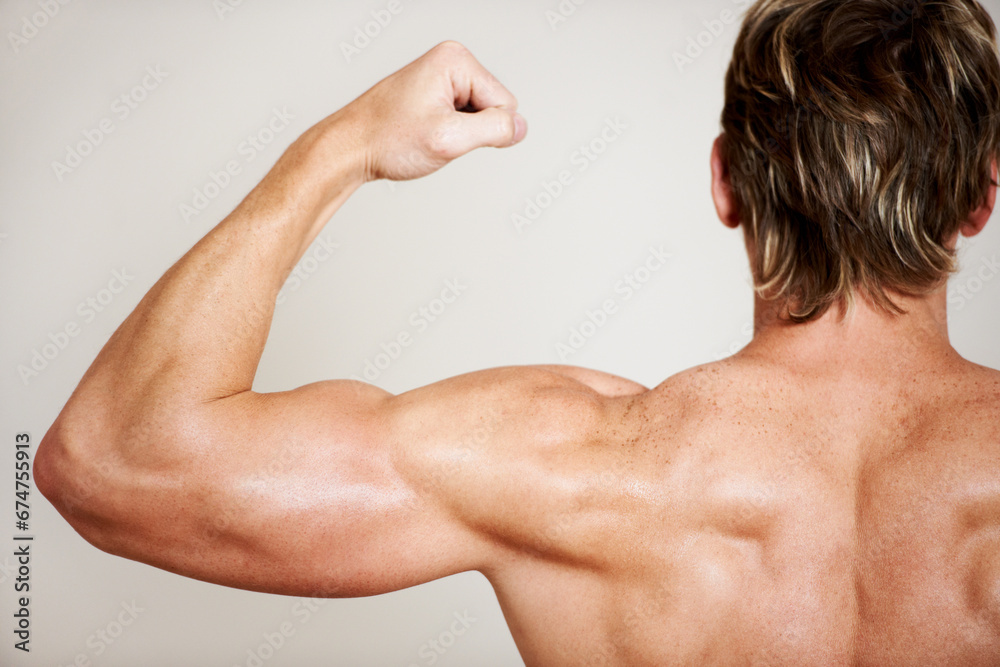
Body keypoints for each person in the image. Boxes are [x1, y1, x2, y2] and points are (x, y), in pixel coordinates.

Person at [35, 0, 1000, 663]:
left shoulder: (569, 458)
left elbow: (110, 458)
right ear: (981, 200)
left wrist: (343, 147)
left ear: (725, 183)